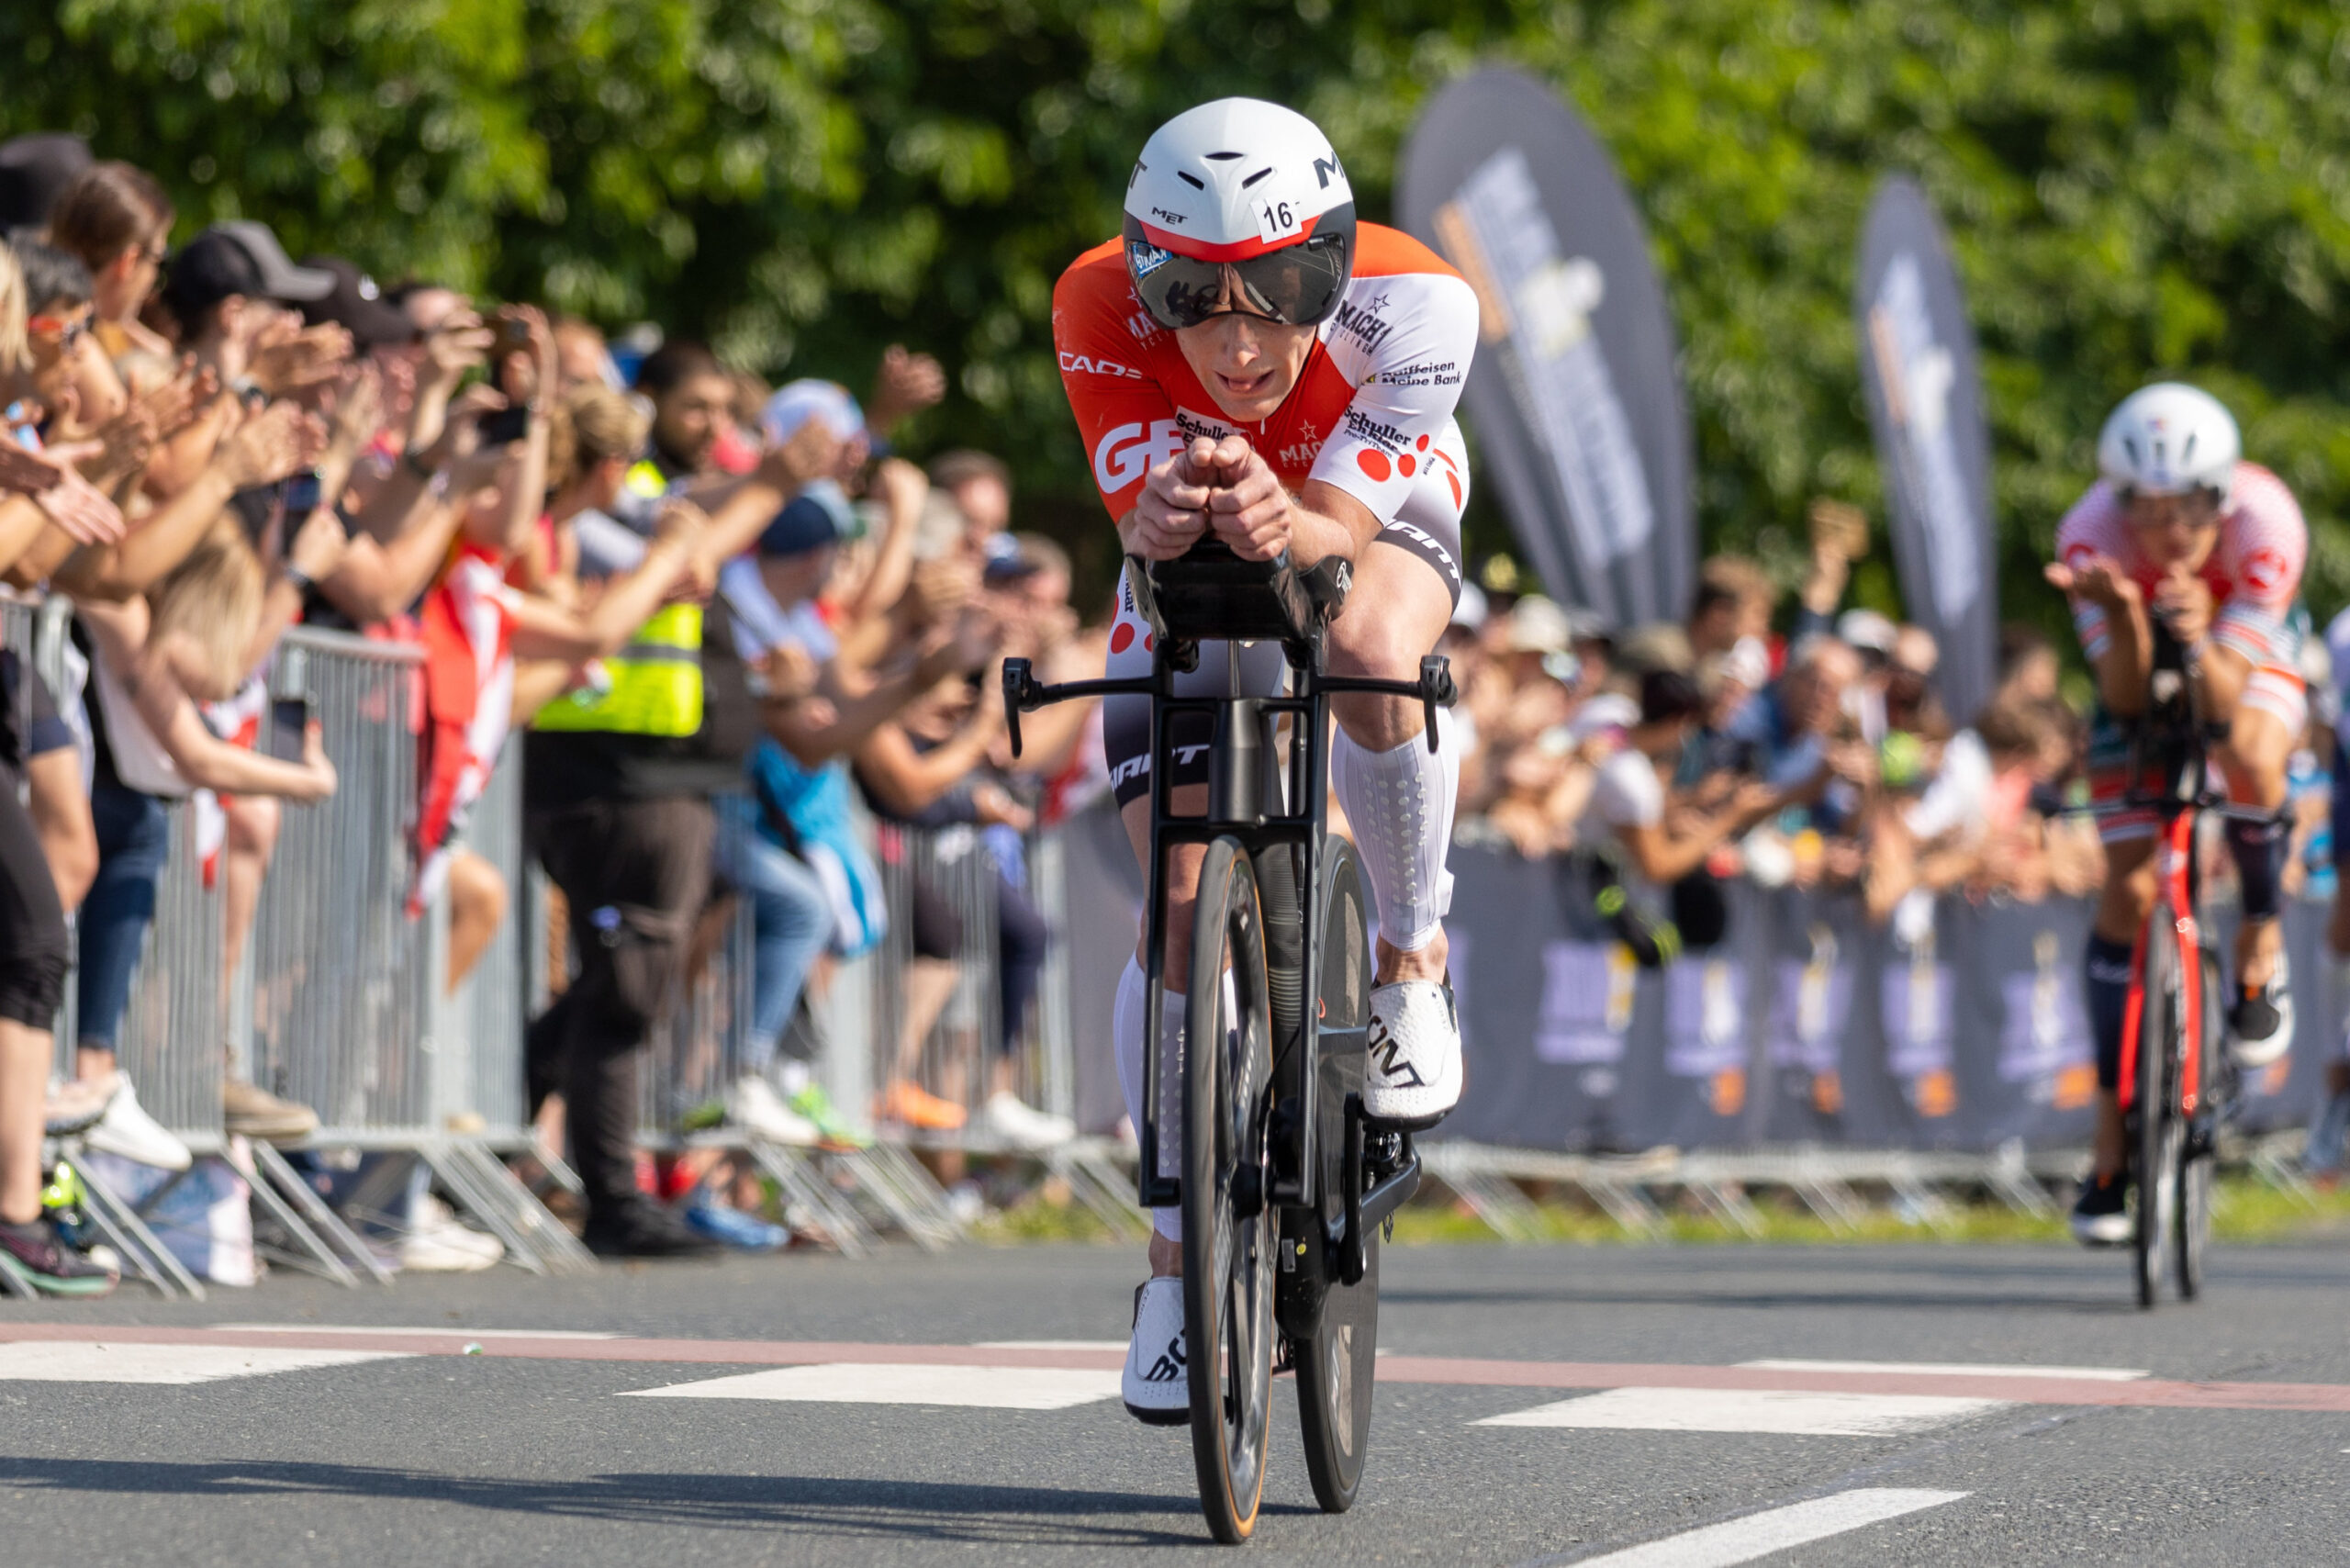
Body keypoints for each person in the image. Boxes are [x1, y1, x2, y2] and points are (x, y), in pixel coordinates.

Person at [1053, 97, 1477, 1420]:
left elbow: (1331, 534)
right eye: (1194, 298)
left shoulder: (1421, 306)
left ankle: (1411, 955)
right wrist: (1160, 514)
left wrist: (1272, 511)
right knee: (1176, 909)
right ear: (1145, 278)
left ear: (1335, 265)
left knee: (1361, 645)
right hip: (1197, 552)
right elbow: (1141, 523)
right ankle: (1176, 1264)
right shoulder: (1094, 303)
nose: (1237, 343)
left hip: (1364, 504)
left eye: (1282, 292)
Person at [2044, 383, 2307, 1245]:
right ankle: (2112, 1143)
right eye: (2149, 511)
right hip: (2143, 668)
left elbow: (2226, 713)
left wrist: (2196, 638)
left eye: (2191, 508)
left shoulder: (2267, 528)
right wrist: (2125, 620)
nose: (2170, 531)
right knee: (2127, 896)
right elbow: (2124, 702)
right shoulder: (2088, 538)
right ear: (2121, 504)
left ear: (2221, 496)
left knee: (2254, 757)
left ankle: (2259, 942)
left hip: (2236, 655)